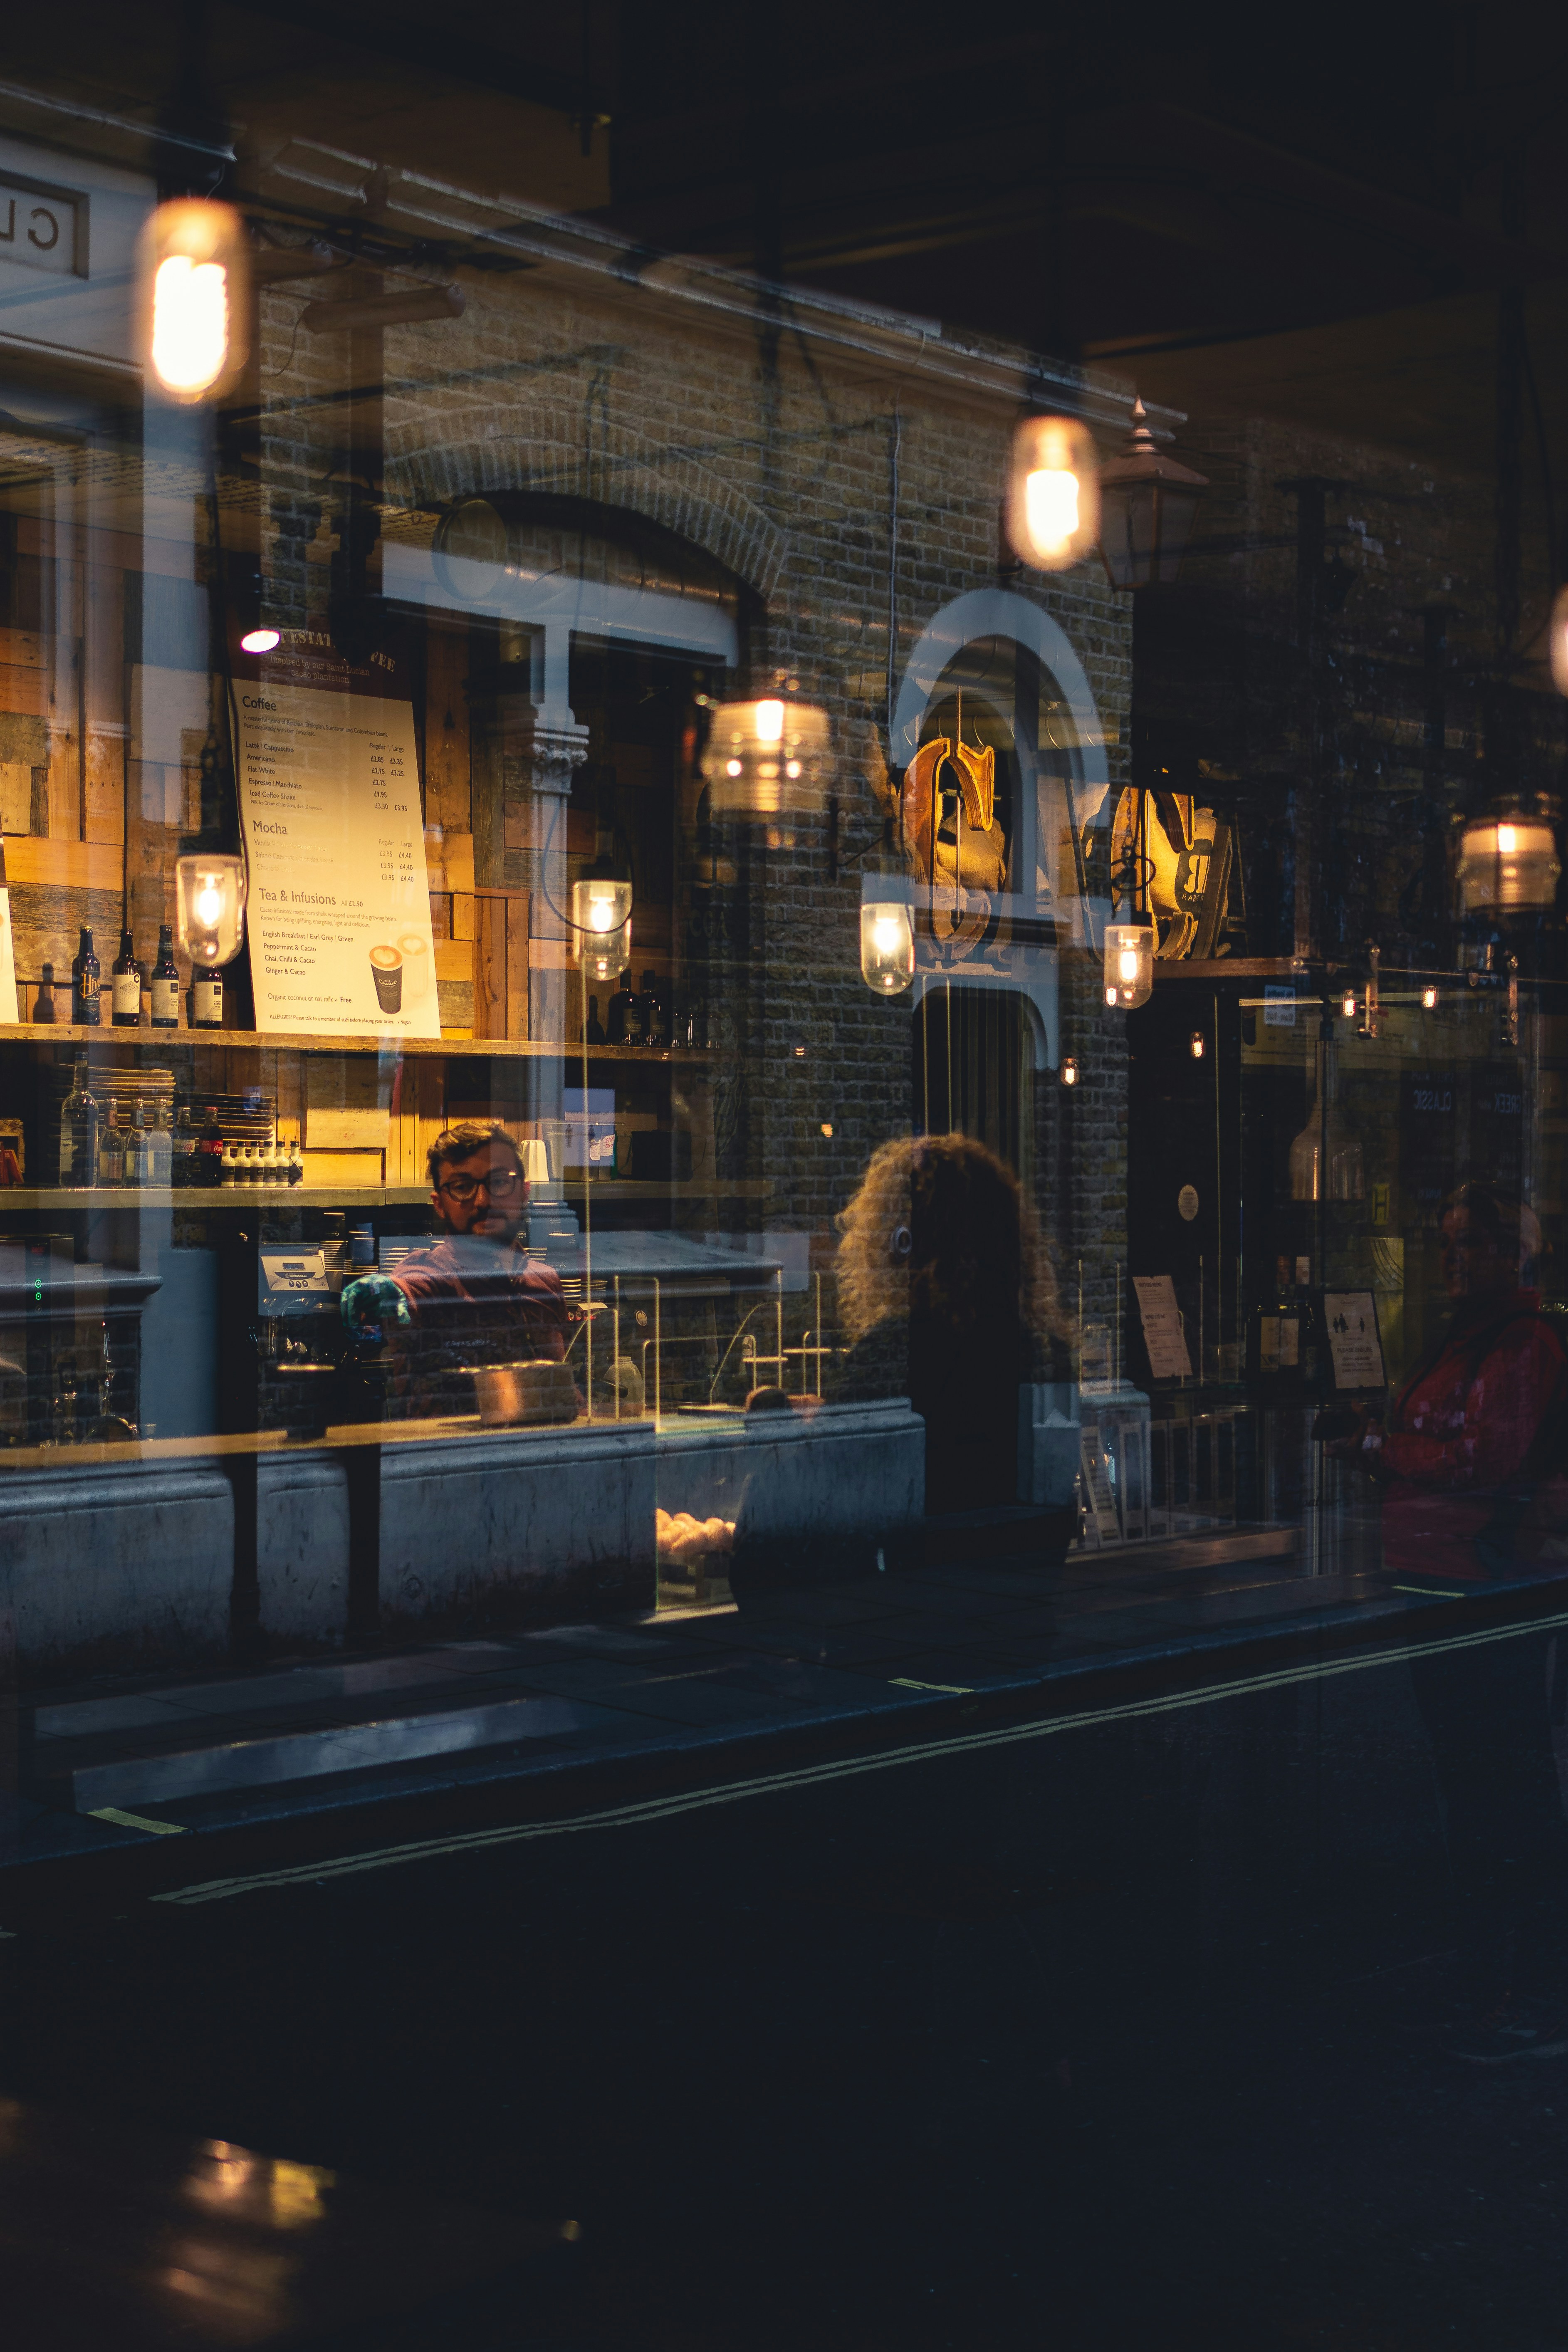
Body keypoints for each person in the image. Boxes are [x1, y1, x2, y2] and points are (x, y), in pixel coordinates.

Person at [1333, 1183, 1568, 2059]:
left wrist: (1374, 1450)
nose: (1452, 1258)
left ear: (1514, 1254)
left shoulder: (1521, 1341)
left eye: (1469, 1243)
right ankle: (1494, 1983)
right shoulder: (1468, 1339)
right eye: (1446, 1243)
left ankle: (1533, 1992)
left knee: (1505, 1800)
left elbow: (1482, 1458)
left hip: (1487, 1596)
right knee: (1477, 1799)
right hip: (1440, 1587)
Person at [833, 1132, 1073, 1522]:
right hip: (1023, 1568)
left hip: (918, 1570)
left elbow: (835, 1473)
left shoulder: (896, 1349)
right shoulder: (1043, 1352)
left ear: (901, 1242)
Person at [384, 1121, 569, 1415]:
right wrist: (381, 1293)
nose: (483, 1200)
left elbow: (562, 1394)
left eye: (499, 1182)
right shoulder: (428, 1279)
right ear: (440, 1204)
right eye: (462, 1187)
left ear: (525, 1192)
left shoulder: (544, 1281)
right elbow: (404, 1288)